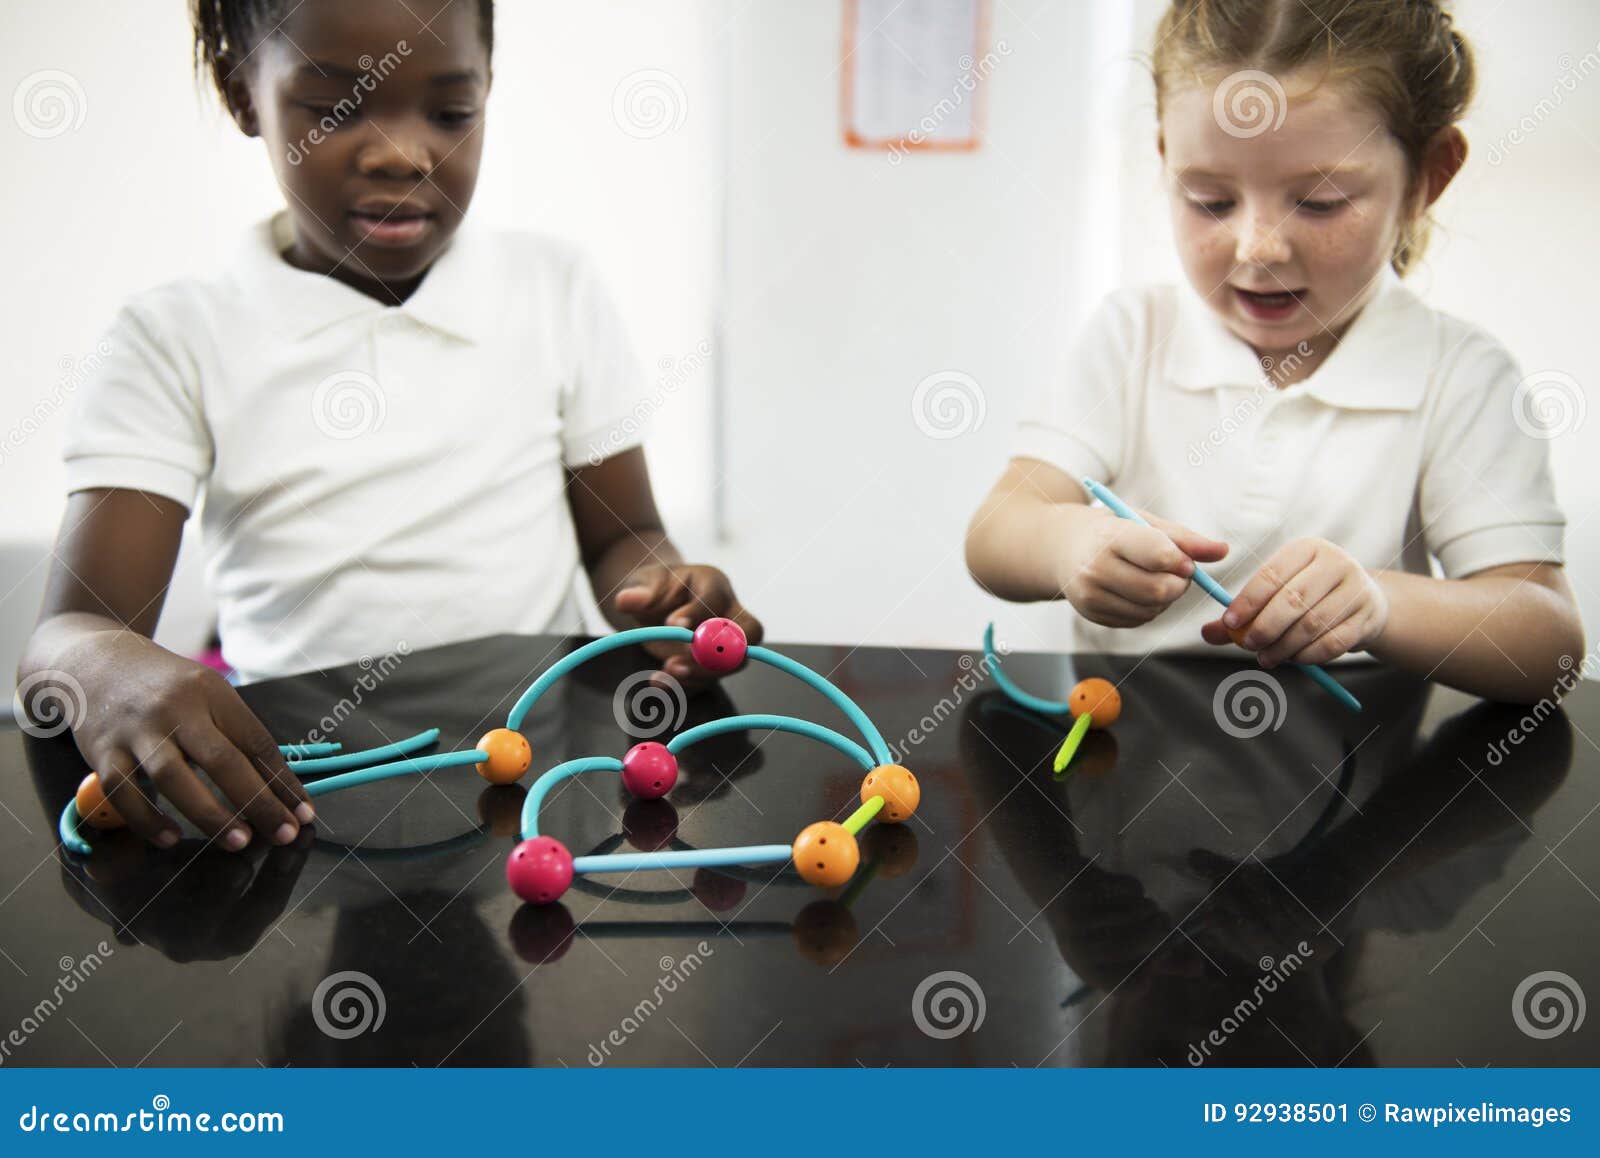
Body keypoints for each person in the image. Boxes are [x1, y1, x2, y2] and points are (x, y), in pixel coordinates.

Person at [17, 0, 759, 854]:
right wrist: (104, 667)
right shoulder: (174, 337)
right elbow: (70, 636)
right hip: (298, 812)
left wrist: (669, 596)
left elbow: (624, 540)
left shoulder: (555, 290)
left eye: (451, 111)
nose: (403, 154)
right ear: (241, 93)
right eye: (334, 108)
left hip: (532, 804)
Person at [966, 0, 1583, 704]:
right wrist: (1068, 545)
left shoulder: (1461, 375)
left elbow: (1549, 644)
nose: (1257, 249)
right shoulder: (1130, 335)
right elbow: (995, 534)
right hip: (1126, 738)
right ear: (1166, 159)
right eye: (1210, 200)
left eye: (1320, 202)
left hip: (1360, 757)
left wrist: (1381, 606)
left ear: (1427, 178)